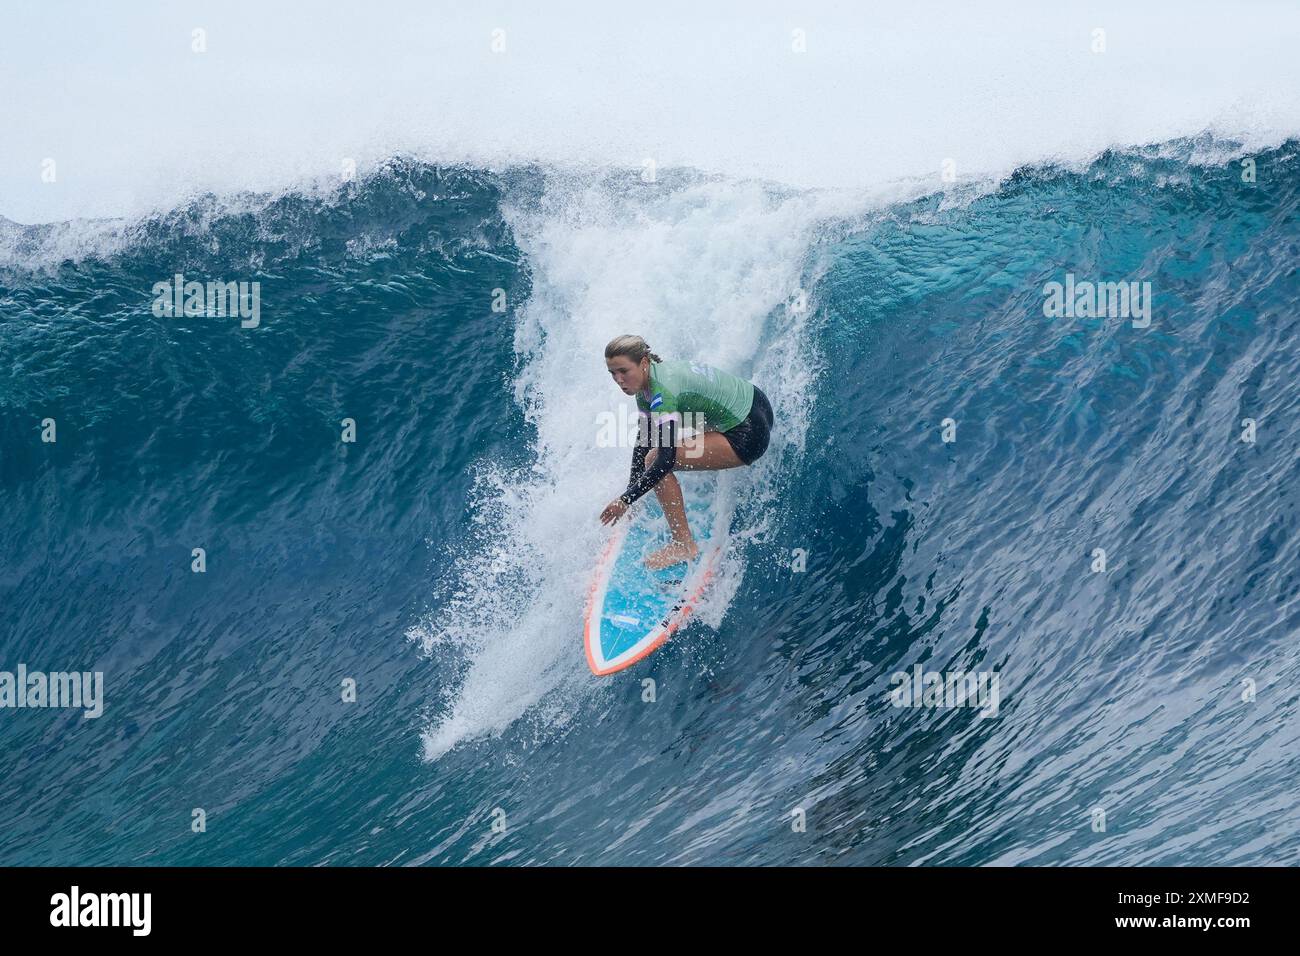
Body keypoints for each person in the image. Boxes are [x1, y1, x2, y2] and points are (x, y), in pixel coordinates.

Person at [599, 334, 773, 569]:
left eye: (623, 371)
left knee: (656, 459)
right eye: (613, 374)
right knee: (666, 429)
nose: (619, 380)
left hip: (749, 434)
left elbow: (664, 459)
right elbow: (644, 438)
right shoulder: (649, 382)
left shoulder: (662, 393)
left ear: (643, 363)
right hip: (757, 402)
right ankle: (710, 452)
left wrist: (626, 499)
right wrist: (632, 493)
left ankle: (683, 544)